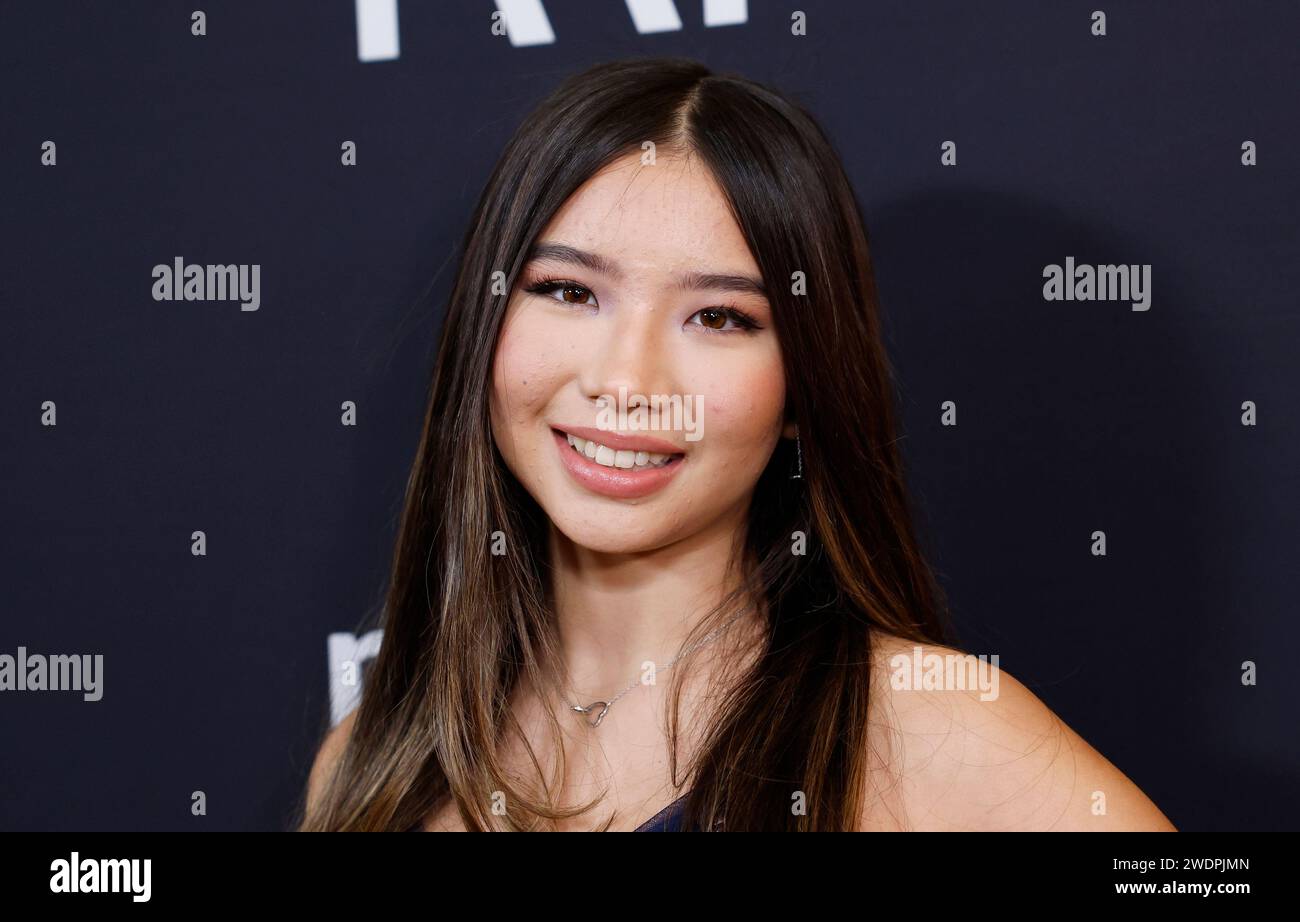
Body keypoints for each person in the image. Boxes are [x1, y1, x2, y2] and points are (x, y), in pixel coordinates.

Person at [298, 56, 1176, 832]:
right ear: (485, 322)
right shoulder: (371, 762)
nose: (628, 382)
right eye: (568, 292)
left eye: (718, 317)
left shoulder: (916, 729)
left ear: (805, 386)